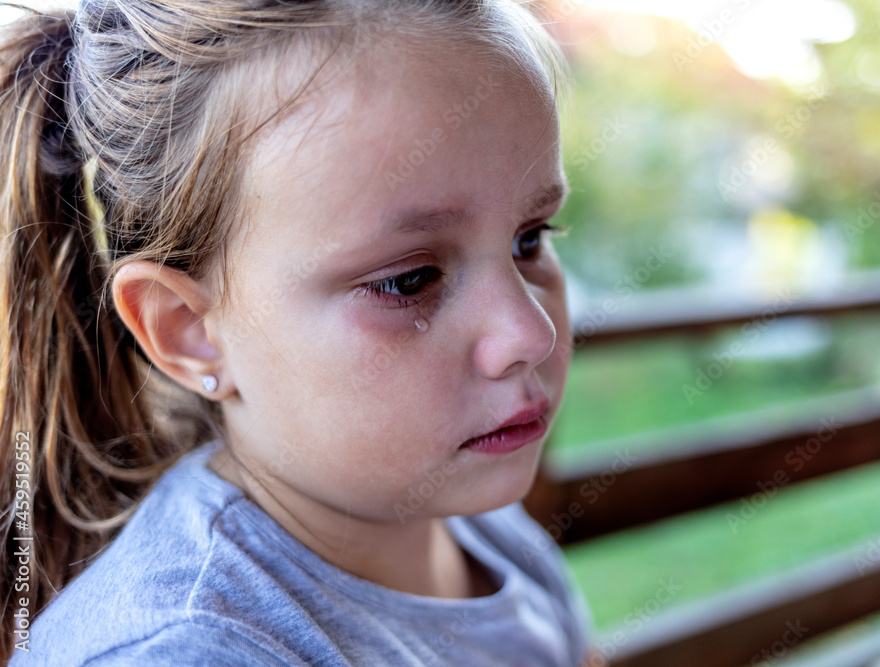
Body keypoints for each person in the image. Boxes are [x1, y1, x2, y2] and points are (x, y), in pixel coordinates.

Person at [0, 0, 603, 664]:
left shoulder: (478, 530)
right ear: (191, 331)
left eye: (529, 239)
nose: (531, 332)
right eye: (409, 281)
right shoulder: (186, 649)